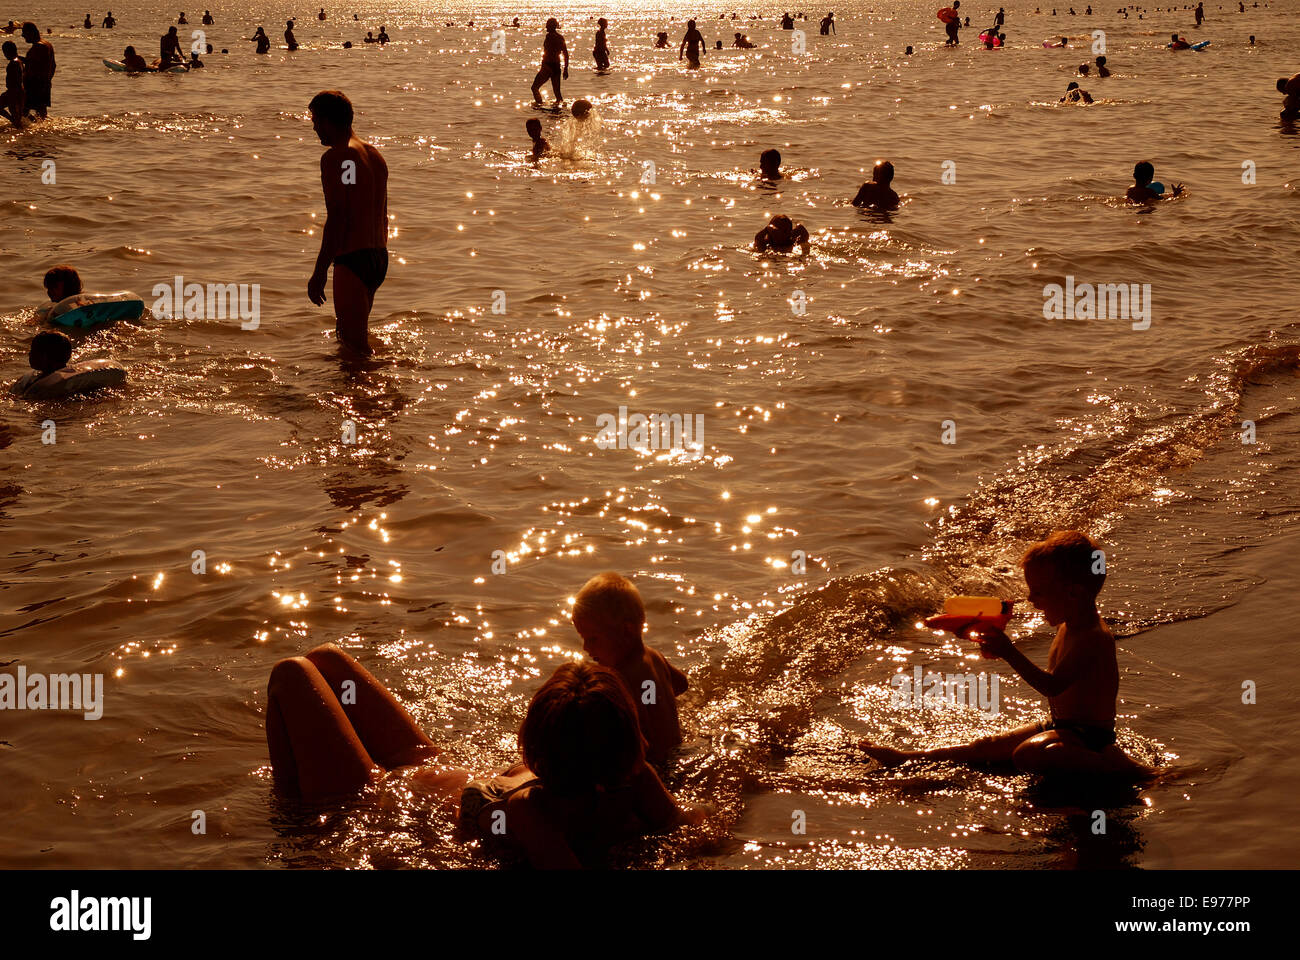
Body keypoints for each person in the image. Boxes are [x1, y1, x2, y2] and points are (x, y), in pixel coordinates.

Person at [861, 531, 1155, 780]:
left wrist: (1009, 651)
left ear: (1074, 594)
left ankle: (1123, 769)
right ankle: (905, 758)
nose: (1031, 599)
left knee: (1029, 754)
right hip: (1062, 725)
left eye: (1038, 592)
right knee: (985, 746)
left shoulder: (1093, 637)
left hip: (1090, 737)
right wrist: (980, 631)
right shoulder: (1071, 622)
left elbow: (1052, 686)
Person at [459, 660, 702, 867]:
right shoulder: (527, 807)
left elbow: (685, 826)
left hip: (547, 775)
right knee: (431, 775)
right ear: (627, 735)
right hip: (489, 801)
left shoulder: (637, 776)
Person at [571, 573, 688, 767]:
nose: (585, 647)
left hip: (657, 770)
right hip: (676, 755)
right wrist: (659, 706)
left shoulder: (622, 677)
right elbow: (682, 684)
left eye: (593, 639)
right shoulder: (654, 657)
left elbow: (639, 738)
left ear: (627, 630)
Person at [308, 90, 389, 358]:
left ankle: (382, 392)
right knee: (350, 340)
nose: (314, 127)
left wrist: (320, 271)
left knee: (354, 350)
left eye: (316, 120)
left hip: (354, 259)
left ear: (330, 120)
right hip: (377, 257)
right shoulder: (373, 154)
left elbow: (339, 215)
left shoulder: (339, 157)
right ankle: (365, 396)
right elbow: (382, 213)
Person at [20, 22, 53, 121]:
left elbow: (33, 66)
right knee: (41, 114)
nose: (22, 35)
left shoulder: (39, 46)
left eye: (24, 33)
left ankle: (28, 129)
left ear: (31, 32)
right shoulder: (47, 44)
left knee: (23, 112)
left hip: (35, 85)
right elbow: (51, 65)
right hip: (44, 83)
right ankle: (41, 133)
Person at [531, 19, 568, 105]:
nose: (546, 26)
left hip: (548, 66)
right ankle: (559, 111)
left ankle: (539, 105)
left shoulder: (549, 36)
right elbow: (565, 54)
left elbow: (548, 53)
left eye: (548, 25)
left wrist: (544, 66)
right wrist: (566, 69)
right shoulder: (560, 37)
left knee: (534, 88)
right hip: (556, 67)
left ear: (552, 26)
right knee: (558, 95)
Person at [0, 40, 22, 129]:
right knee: (19, 114)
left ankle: (13, 121)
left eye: (5, 52)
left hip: (14, 92)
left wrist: (10, 94)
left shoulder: (13, 63)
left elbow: (15, 81)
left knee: (16, 117)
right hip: (17, 91)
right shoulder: (19, 61)